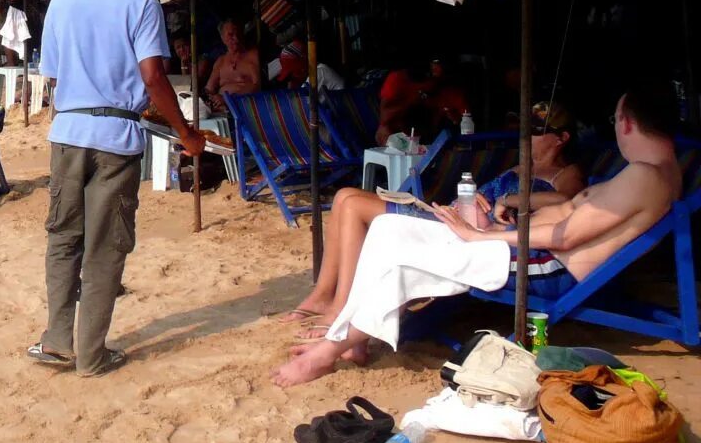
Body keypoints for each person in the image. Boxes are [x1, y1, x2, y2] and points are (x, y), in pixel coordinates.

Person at [273, 85, 683, 387]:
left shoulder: (644, 176)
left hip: (545, 269)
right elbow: (564, 213)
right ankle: (353, 337)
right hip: (534, 253)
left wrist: (478, 237)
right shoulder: (653, 173)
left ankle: (332, 349)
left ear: (627, 123)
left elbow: (564, 236)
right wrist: (502, 223)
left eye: (615, 119)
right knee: (386, 227)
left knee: (405, 251)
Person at [29, 0, 206, 377]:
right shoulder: (140, 2)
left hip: (67, 135)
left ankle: (57, 341)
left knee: (63, 238)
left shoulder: (61, 3)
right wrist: (185, 132)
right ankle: (91, 353)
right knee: (107, 246)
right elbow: (153, 76)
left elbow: (51, 73)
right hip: (115, 139)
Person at [280, 107, 586, 326]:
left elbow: (565, 200)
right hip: (452, 216)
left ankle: (339, 305)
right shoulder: (518, 167)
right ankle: (323, 294)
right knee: (345, 196)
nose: (526, 136)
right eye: (525, 129)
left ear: (561, 138)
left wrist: (508, 199)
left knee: (351, 201)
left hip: (462, 233)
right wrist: (477, 197)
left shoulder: (567, 173)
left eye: (536, 131)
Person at [375, 57, 470, 144]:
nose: (438, 68)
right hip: (399, 140)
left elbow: (466, 124)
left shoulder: (451, 92)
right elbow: (385, 121)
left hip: (436, 142)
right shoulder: (398, 80)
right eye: (435, 62)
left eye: (441, 63)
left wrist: (455, 119)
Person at [202, 20, 260, 111]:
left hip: (245, 107)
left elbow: (257, 85)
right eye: (231, 35)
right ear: (222, 38)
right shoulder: (220, 61)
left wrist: (229, 99)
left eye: (238, 34)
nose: (236, 38)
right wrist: (208, 99)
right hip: (222, 111)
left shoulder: (253, 56)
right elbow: (209, 89)